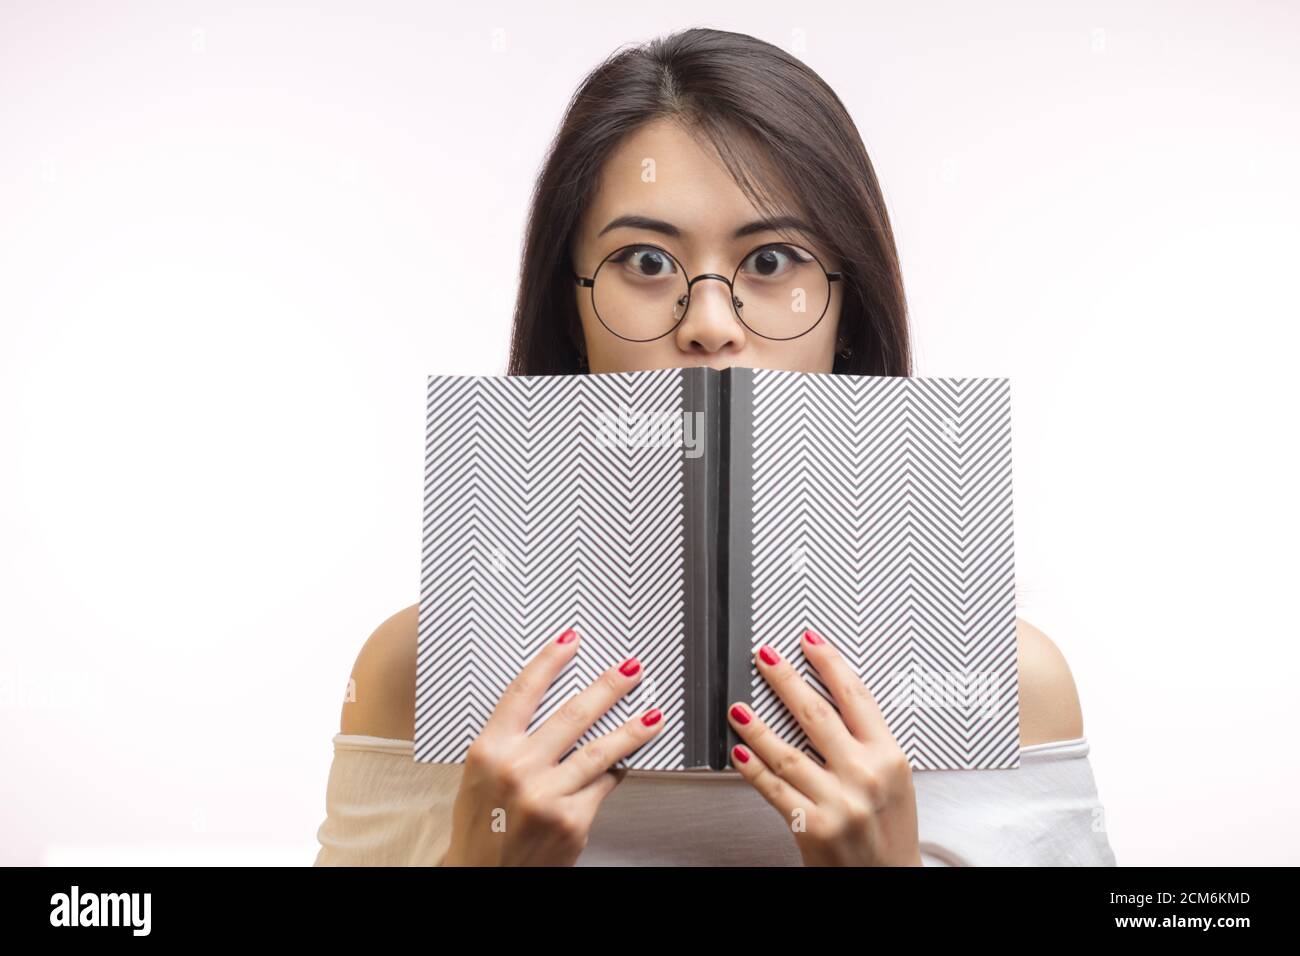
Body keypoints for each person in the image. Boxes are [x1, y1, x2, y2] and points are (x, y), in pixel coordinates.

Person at [313, 27, 1117, 867]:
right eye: (646, 260)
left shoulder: (1011, 686)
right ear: (570, 309)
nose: (709, 323)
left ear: (849, 306)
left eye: (772, 259)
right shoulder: (419, 673)